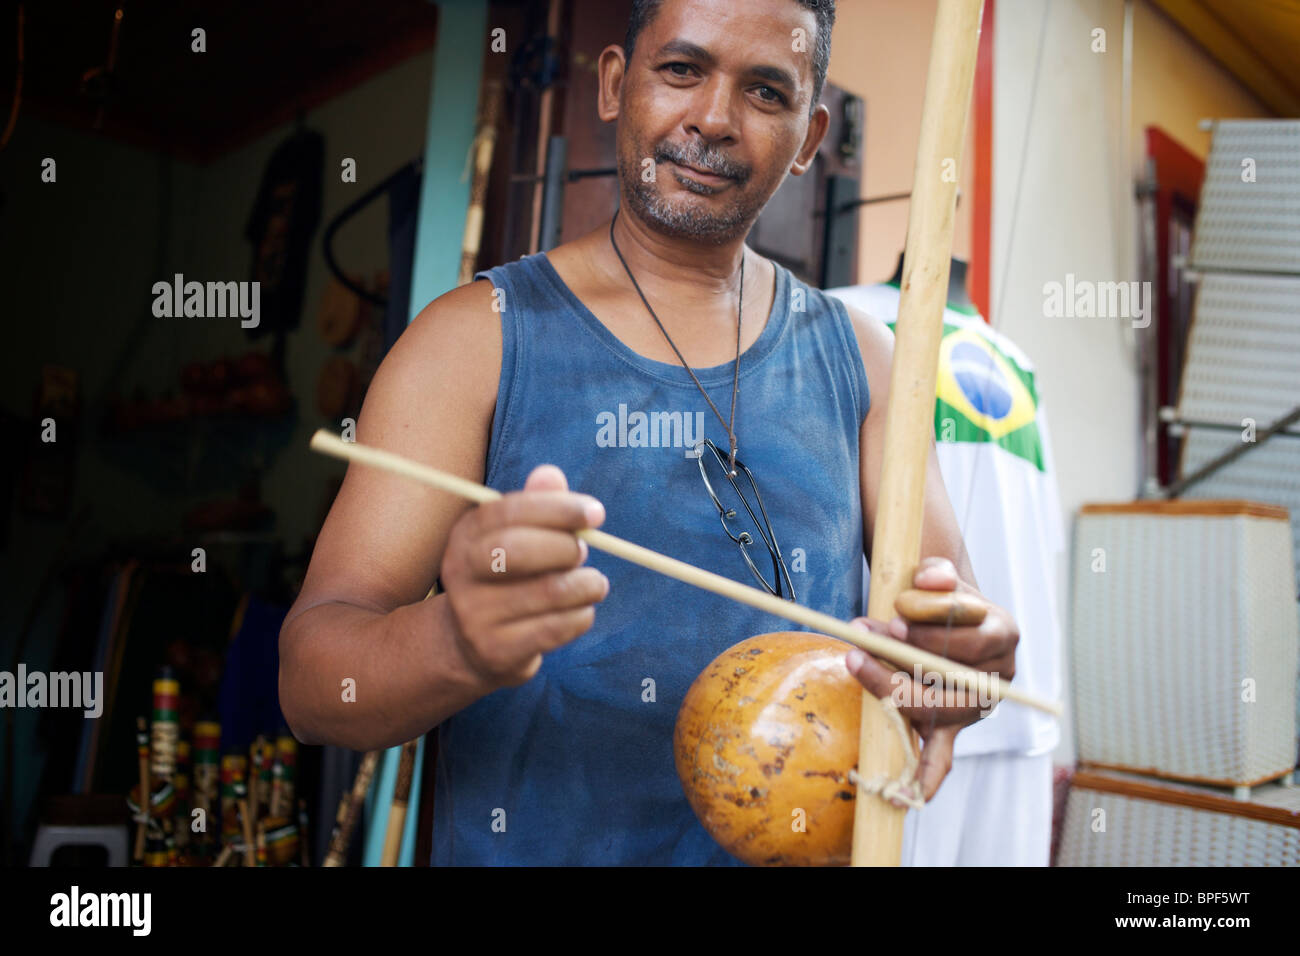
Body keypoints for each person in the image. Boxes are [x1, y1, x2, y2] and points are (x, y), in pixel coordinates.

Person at [279, 0, 1020, 865]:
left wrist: (969, 669)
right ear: (613, 85)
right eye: (681, 70)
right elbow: (309, 682)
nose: (713, 118)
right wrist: (454, 641)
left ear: (810, 136)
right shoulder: (473, 338)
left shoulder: (864, 357)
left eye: (766, 92)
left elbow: (949, 643)